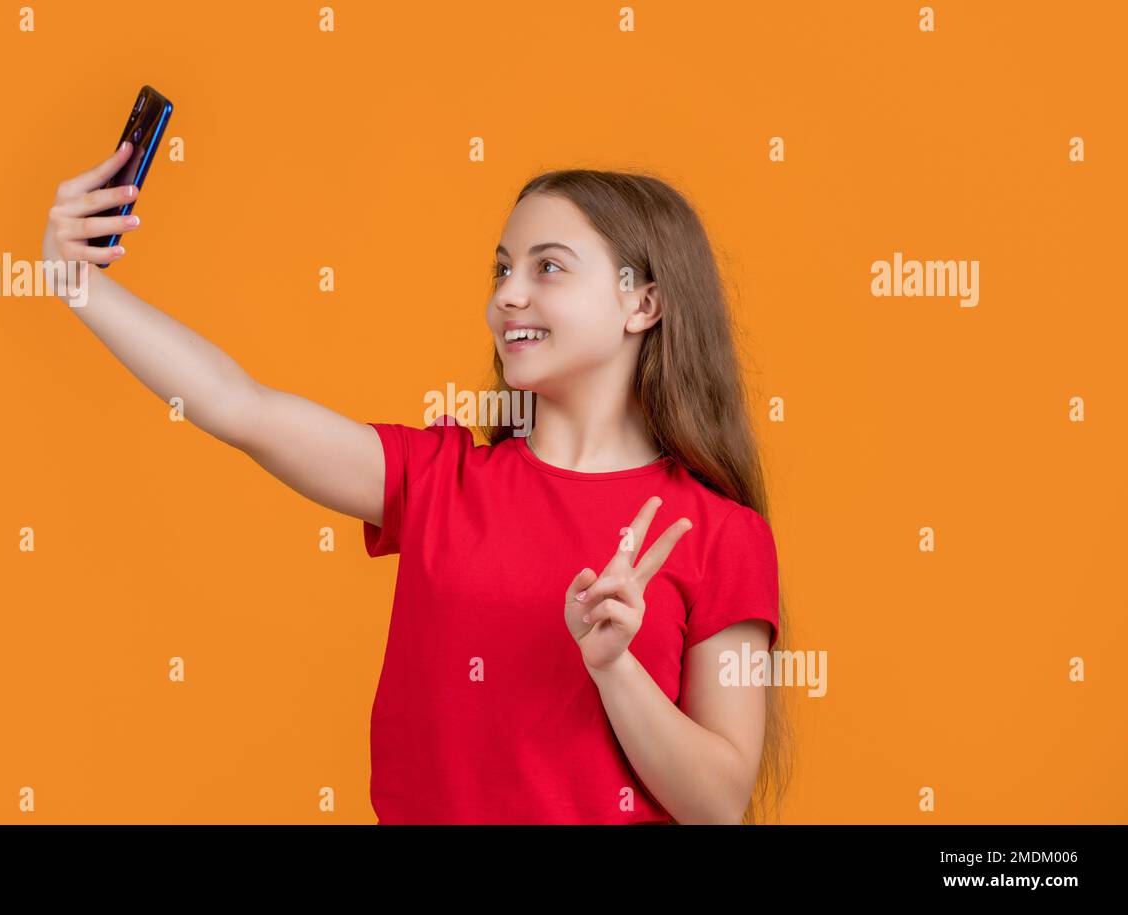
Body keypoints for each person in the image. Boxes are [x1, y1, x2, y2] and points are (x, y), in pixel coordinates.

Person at [41, 144, 792, 824]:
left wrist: (615, 669)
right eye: (502, 268)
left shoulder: (720, 532)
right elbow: (243, 408)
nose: (509, 295)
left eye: (548, 267)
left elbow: (719, 802)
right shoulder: (438, 479)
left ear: (643, 303)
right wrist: (81, 286)